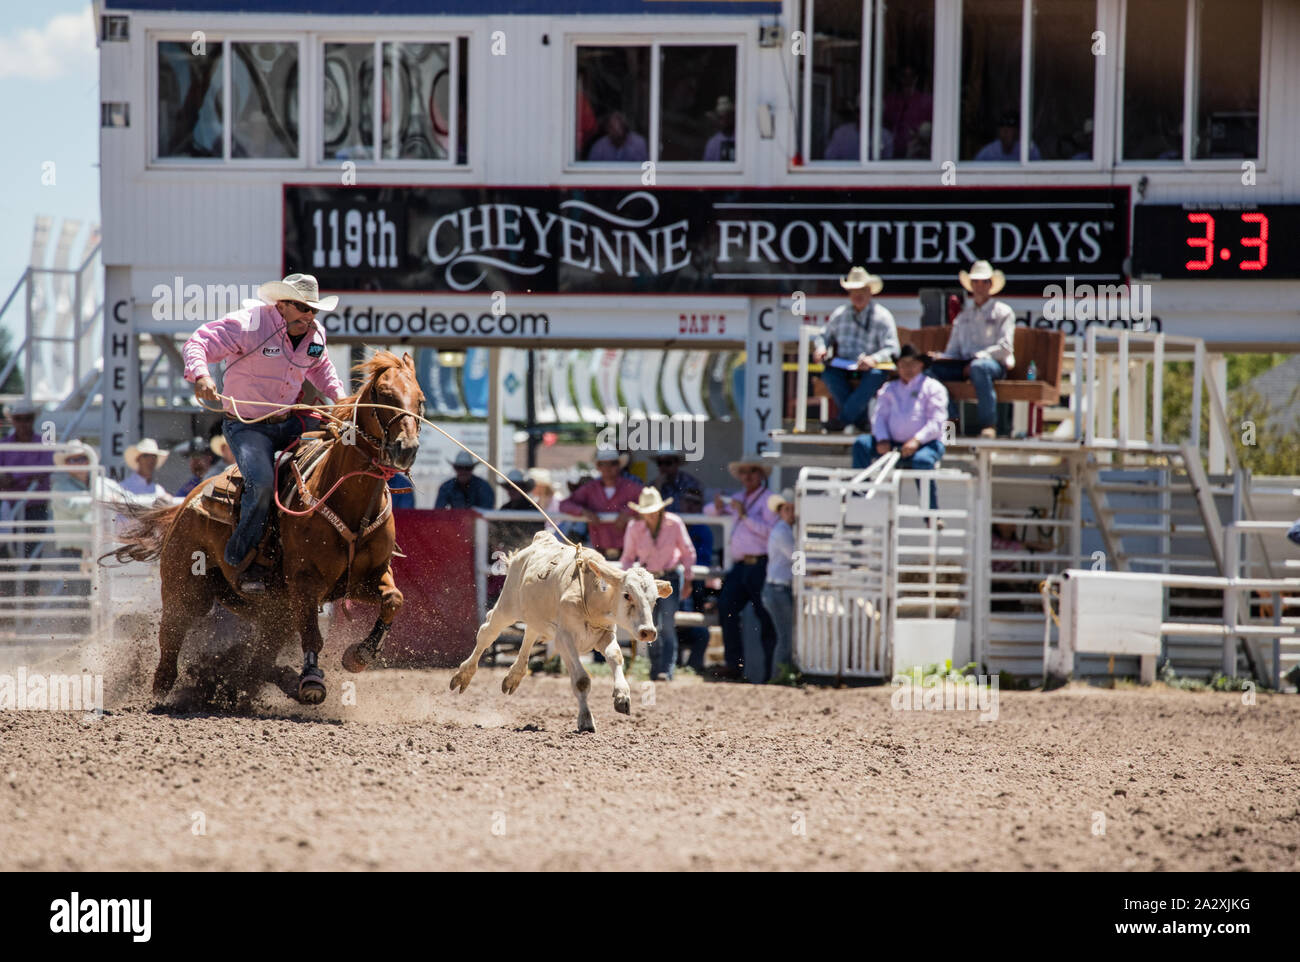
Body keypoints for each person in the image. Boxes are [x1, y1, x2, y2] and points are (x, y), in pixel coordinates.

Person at [183, 272, 348, 591]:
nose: (309, 315)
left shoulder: (316, 337)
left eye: (313, 309)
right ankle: (238, 557)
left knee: (348, 445)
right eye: (302, 307)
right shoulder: (249, 324)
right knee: (260, 484)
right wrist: (202, 376)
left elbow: (322, 371)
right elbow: (199, 342)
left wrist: (341, 402)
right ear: (282, 305)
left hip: (289, 421)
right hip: (246, 427)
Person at [704, 457, 779, 681]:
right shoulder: (738, 498)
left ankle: (769, 670)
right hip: (740, 566)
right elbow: (709, 511)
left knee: (765, 616)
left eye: (752, 472)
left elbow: (771, 532)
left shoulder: (769, 500)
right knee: (726, 607)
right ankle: (734, 664)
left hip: (760, 564)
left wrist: (744, 515)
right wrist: (718, 506)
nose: (747, 476)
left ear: (761, 475)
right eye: (744, 472)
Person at [927, 260, 1016, 439]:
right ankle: (951, 421)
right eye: (975, 281)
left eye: (984, 282)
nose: (979, 286)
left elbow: (1005, 348)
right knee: (930, 372)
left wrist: (978, 358)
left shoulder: (1003, 312)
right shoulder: (963, 316)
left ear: (991, 285)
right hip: (965, 365)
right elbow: (953, 350)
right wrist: (940, 357)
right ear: (971, 285)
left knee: (979, 368)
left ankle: (988, 425)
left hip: (994, 365)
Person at [853, 344, 948, 510]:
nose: (907, 368)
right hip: (893, 444)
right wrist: (882, 438)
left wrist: (917, 440)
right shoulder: (889, 388)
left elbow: (939, 422)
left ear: (921, 365)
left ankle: (931, 512)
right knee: (861, 444)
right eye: (903, 364)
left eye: (912, 364)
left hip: (927, 444)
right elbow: (879, 416)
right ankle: (858, 500)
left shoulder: (933, 387)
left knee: (923, 461)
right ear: (898, 366)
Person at [621, 487, 696, 682]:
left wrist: (688, 578)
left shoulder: (674, 523)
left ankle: (666, 669)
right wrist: (629, 581)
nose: (650, 516)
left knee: (668, 625)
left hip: (669, 577)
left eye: (653, 511)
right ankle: (656, 668)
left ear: (660, 509)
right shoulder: (634, 528)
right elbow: (628, 558)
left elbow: (687, 552)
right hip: (646, 580)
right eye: (647, 512)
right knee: (650, 623)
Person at [812, 266, 899, 432]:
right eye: (854, 290)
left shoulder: (882, 316)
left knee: (875, 376)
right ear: (849, 294)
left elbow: (892, 348)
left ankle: (842, 420)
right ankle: (861, 421)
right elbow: (823, 336)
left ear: (870, 291)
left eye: (862, 290)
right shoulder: (840, 314)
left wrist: (873, 359)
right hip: (844, 365)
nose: (858, 294)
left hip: (872, 367)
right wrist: (821, 348)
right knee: (829, 374)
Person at [0, 400, 55, 600]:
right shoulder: (4, 445)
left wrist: (13, 478)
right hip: (10, 508)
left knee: (32, 556)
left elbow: (45, 469)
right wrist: (26, 477)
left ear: (33, 420)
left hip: (34, 507)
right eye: (19, 419)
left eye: (27, 418)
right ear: (13, 421)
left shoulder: (43, 442)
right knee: (6, 556)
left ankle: (28, 605)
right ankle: (8, 607)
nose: (23, 423)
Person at [559, 447, 643, 561]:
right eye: (603, 464)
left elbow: (650, 503)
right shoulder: (590, 488)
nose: (607, 468)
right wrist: (583, 512)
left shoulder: (631, 487)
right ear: (598, 467)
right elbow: (564, 505)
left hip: (629, 553)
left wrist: (630, 511)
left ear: (619, 465)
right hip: (599, 553)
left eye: (612, 463)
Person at [676, 486, 715, 672]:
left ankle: (692, 667)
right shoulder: (673, 527)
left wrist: (685, 565)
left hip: (694, 583)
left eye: (695, 502)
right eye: (687, 501)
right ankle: (673, 665)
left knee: (701, 632)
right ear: (681, 503)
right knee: (667, 625)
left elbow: (702, 559)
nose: (690, 506)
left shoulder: (703, 530)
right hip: (676, 580)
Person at [762, 487, 797, 681]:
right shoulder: (782, 531)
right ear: (781, 511)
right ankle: (780, 676)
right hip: (778, 589)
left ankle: (780, 675)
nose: (790, 513)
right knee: (786, 636)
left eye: (792, 509)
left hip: (777, 588)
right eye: (787, 509)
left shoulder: (784, 530)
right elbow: (796, 558)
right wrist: (816, 569)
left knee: (783, 635)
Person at [882, 64, 933, 160]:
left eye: (911, 76)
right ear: (899, 78)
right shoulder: (890, 100)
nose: (907, 79)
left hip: (918, 151)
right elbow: (884, 125)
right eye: (904, 75)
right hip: (893, 150)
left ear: (916, 78)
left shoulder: (926, 101)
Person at [974, 111, 1042, 162]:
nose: (1005, 131)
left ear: (1018, 131)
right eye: (1002, 126)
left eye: (1010, 127)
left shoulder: (1029, 150)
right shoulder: (988, 153)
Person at [702, 96, 736, 162]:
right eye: (721, 117)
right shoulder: (713, 143)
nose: (725, 121)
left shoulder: (742, 140)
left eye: (728, 116)